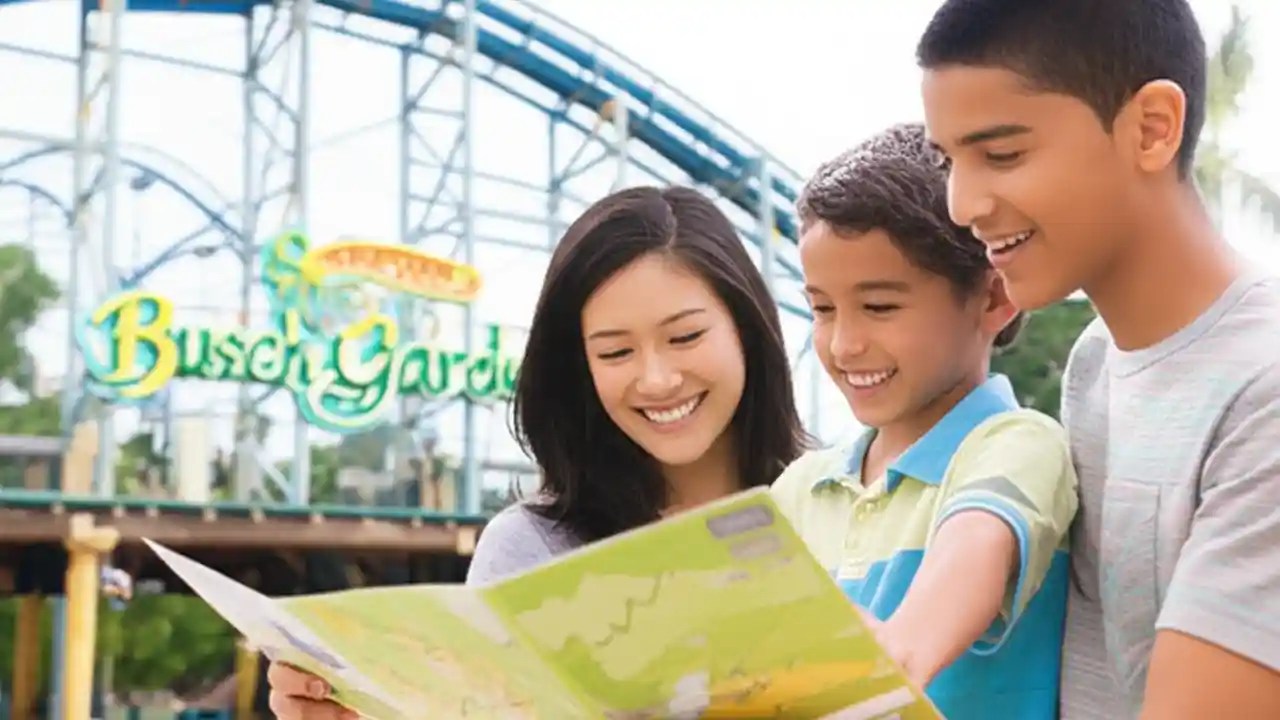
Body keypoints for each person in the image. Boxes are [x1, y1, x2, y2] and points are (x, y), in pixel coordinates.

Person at [265, 185, 809, 718]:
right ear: (580, 369)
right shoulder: (533, 553)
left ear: (747, 330)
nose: (658, 379)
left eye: (685, 337)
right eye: (616, 351)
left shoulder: (843, 507)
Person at [915, 0, 1280, 717]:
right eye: (948, 160)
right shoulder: (1097, 362)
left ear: (1152, 129)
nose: (961, 203)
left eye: (1003, 154)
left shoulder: (1265, 387)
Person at [771, 122, 1079, 720]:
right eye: (822, 308)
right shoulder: (798, 490)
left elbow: (925, 626)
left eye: (879, 306)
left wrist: (885, 653)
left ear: (992, 299)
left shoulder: (1015, 446)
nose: (844, 344)